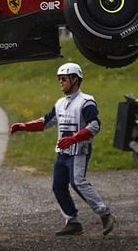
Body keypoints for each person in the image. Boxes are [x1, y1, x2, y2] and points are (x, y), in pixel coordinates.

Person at [10, 62, 116, 236]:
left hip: (79, 151)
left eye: (64, 79)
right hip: (63, 153)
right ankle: (72, 221)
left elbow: (95, 125)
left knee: (78, 182)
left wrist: (73, 139)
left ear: (75, 79)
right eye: (59, 79)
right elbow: (45, 122)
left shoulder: (86, 102)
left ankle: (105, 214)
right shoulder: (60, 103)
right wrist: (23, 126)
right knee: (58, 186)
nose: (60, 82)